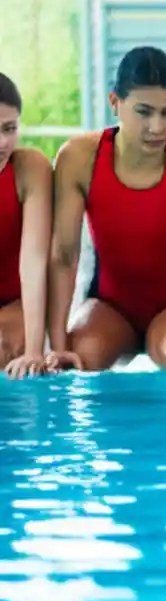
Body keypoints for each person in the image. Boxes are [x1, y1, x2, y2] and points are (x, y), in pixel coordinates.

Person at [46, 46, 166, 376]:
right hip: (110, 307)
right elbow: (63, 257)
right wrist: (57, 348)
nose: (157, 127)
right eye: (144, 111)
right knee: (82, 357)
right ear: (115, 103)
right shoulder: (79, 157)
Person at [0, 73, 52, 379]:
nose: (3, 143)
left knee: (8, 346)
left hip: (16, 300)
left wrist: (35, 350)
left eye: (10, 129)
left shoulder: (29, 169)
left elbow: (33, 261)